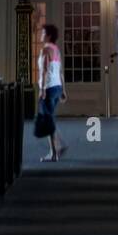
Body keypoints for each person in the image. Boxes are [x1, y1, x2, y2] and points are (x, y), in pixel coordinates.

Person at [36, 23, 67, 162]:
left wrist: (41, 89)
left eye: (43, 33)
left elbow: (43, 71)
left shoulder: (45, 50)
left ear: (48, 35)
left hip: (48, 88)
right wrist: (63, 90)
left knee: (48, 121)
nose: (41, 35)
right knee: (49, 118)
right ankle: (59, 145)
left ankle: (53, 153)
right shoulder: (56, 50)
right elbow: (60, 71)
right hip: (57, 87)